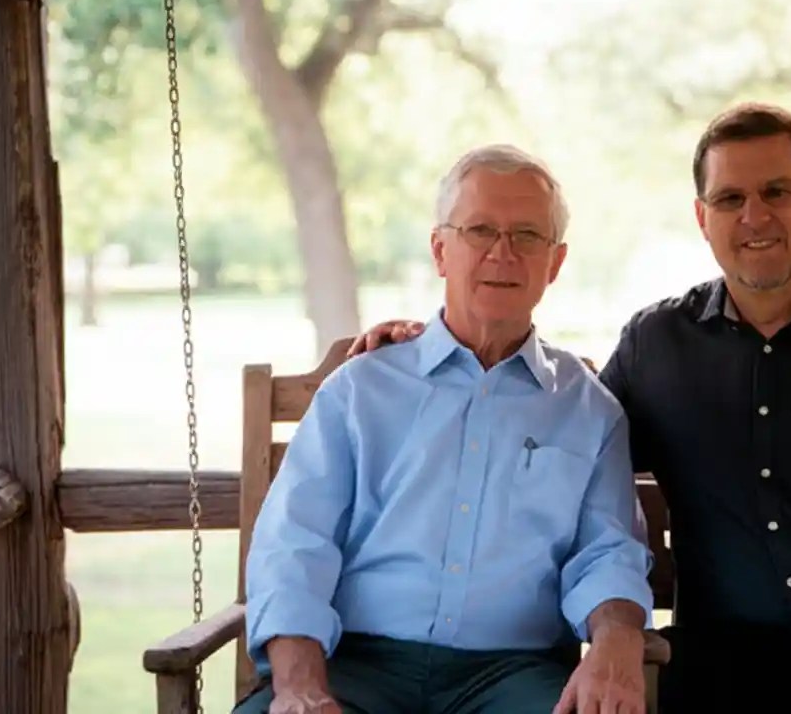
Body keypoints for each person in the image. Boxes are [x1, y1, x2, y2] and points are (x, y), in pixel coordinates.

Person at [347, 103, 791, 712]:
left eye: (777, 191)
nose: (754, 215)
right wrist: (431, 349)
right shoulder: (660, 346)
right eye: (730, 199)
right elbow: (554, 424)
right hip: (722, 680)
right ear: (703, 217)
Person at [237, 144, 655, 714]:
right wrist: (300, 686)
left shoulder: (588, 409)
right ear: (441, 249)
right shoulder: (361, 390)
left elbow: (608, 553)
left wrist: (615, 641)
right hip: (355, 668)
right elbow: (295, 546)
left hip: (514, 676)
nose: (502, 253)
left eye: (528, 236)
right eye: (480, 230)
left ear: (554, 263)